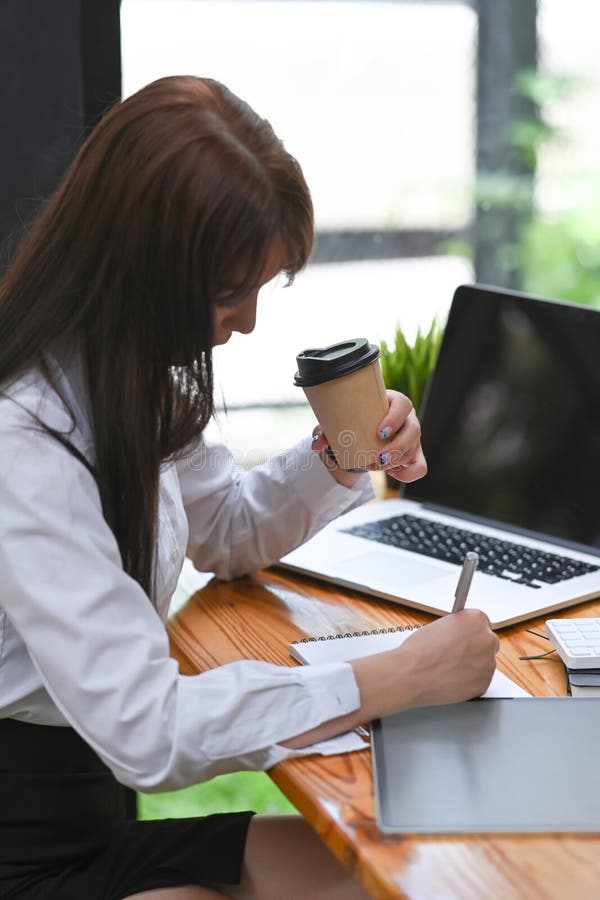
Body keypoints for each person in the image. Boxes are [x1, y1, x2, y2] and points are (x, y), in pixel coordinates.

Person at [0, 75, 499, 900]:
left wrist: (346, 453)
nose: (248, 323)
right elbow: (148, 730)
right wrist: (396, 679)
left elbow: (225, 529)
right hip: (23, 844)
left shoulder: (125, 372)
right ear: (141, 266)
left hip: (91, 813)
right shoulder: (25, 437)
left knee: (407, 878)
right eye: (231, 292)